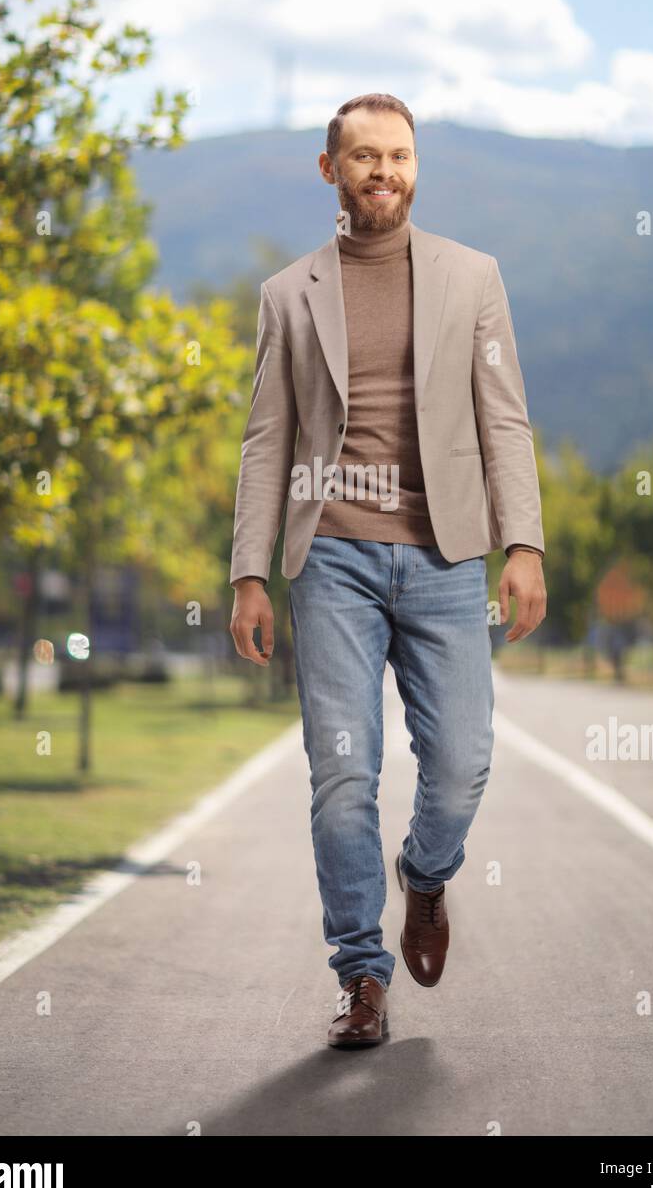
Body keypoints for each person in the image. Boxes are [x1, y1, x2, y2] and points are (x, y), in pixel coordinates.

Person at [229, 93, 546, 1049]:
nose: (383, 172)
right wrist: (250, 571)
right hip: (329, 556)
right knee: (342, 773)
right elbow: (266, 437)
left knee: (460, 764)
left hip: (447, 555)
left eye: (398, 156)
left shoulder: (472, 277)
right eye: (363, 157)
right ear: (331, 171)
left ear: (417, 164)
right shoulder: (290, 293)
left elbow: (504, 418)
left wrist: (523, 544)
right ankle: (361, 975)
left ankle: (426, 873)